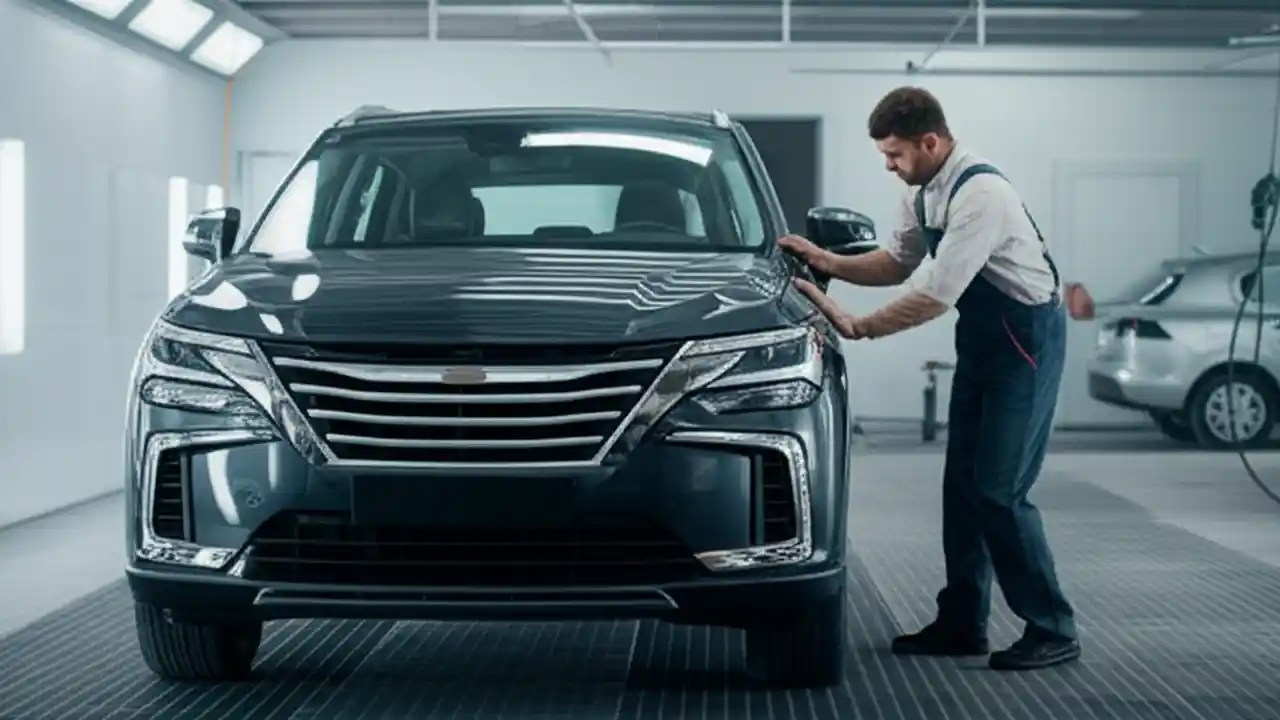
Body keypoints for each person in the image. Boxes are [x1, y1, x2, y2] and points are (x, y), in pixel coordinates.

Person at [779, 86, 1081, 671]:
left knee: (1000, 490)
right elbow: (896, 263)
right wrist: (827, 259)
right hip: (984, 341)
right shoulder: (923, 192)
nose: (889, 166)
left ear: (930, 141)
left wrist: (860, 327)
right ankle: (963, 621)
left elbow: (937, 294)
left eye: (894, 154)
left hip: (1026, 344)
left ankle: (1052, 625)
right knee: (962, 488)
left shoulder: (982, 194)